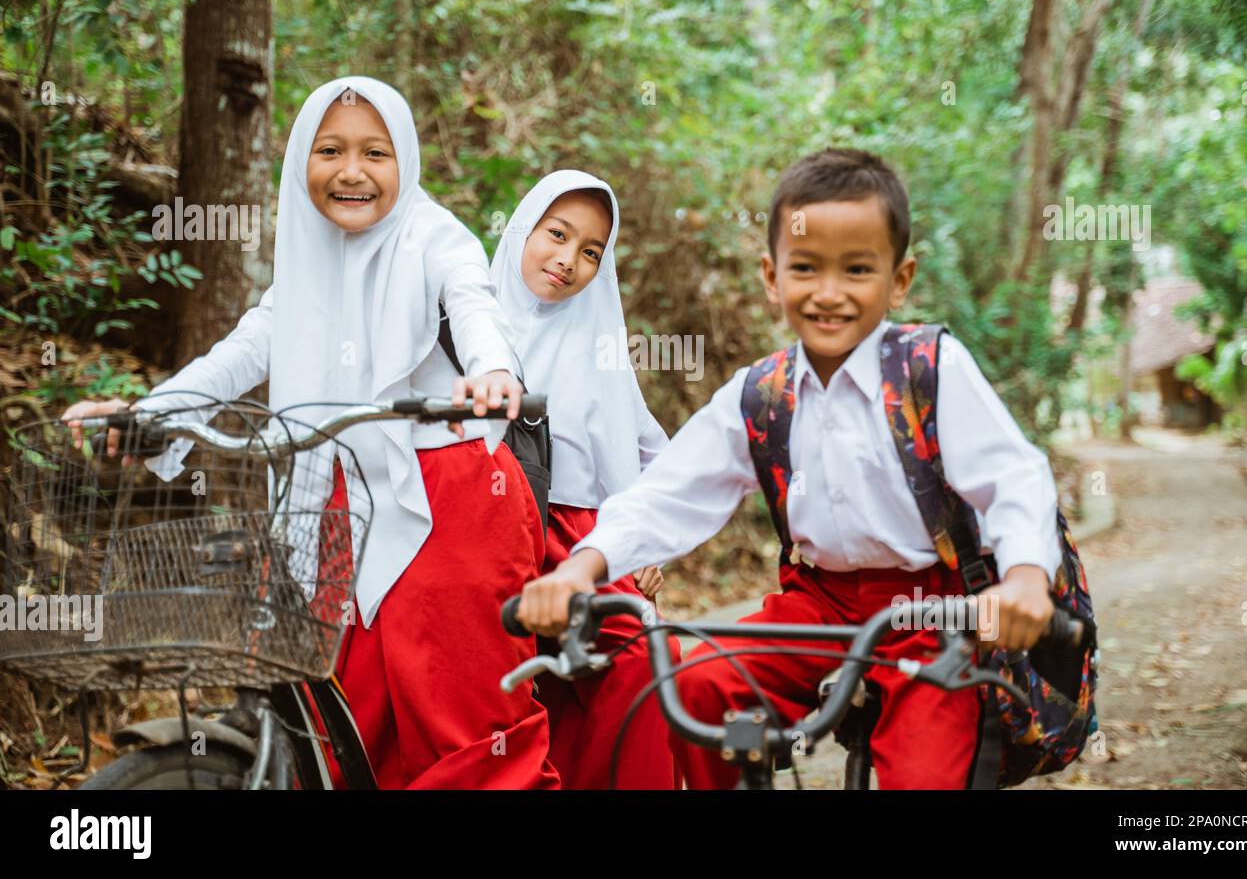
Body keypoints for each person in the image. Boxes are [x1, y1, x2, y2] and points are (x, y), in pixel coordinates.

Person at [64, 76, 560, 790]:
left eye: (375, 153)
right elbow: (247, 348)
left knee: (464, 717)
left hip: (454, 498)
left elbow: (475, 305)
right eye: (330, 150)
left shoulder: (437, 238)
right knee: (344, 720)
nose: (351, 171)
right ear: (301, 160)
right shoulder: (305, 262)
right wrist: (149, 412)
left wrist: (492, 374)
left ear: (405, 163)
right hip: (331, 503)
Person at [516, 148, 1063, 789]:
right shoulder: (764, 393)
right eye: (806, 269)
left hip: (931, 612)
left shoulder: (928, 370)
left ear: (900, 279)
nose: (829, 293)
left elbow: (1014, 477)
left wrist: (1026, 576)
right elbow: (670, 491)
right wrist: (585, 565)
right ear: (773, 279)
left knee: (926, 761)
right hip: (816, 603)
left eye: (858, 270)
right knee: (698, 688)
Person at [488, 169, 681, 789]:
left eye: (592, 251)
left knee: (647, 659)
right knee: (502, 683)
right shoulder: (469, 325)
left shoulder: (599, 348)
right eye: (557, 234)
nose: (568, 260)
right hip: (488, 534)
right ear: (523, 228)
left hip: (581, 540)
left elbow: (666, 461)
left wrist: (648, 543)